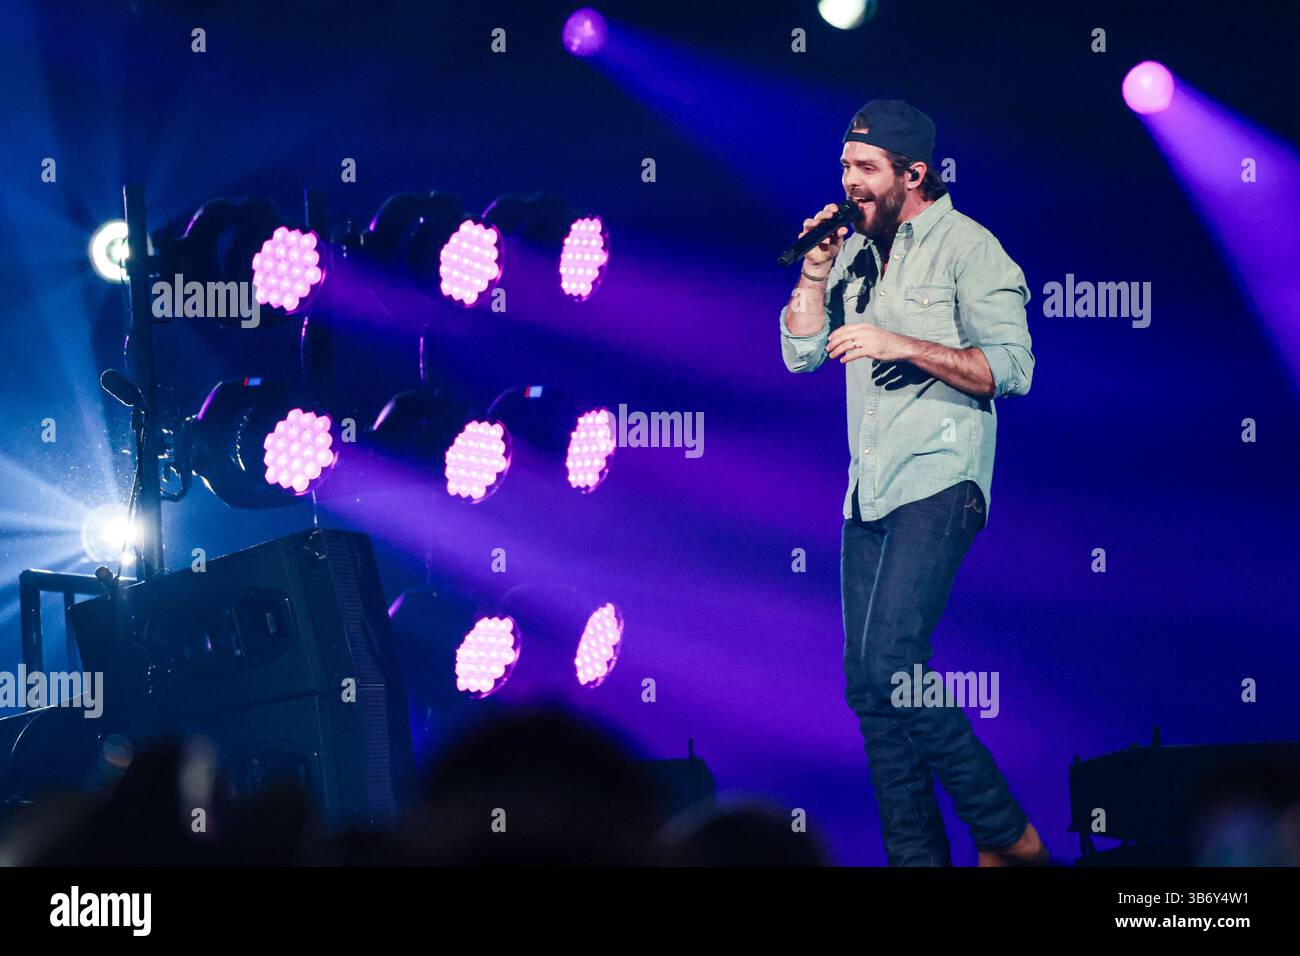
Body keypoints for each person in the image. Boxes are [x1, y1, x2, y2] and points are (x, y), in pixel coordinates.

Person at [778, 99, 1046, 866]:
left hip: (941, 474)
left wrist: (901, 340)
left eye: (865, 170)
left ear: (913, 173)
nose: (849, 183)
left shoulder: (970, 249)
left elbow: (1011, 369)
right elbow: (800, 355)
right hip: (869, 487)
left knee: (895, 657)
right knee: (868, 684)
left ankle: (1004, 833)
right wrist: (816, 270)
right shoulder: (856, 255)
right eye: (844, 168)